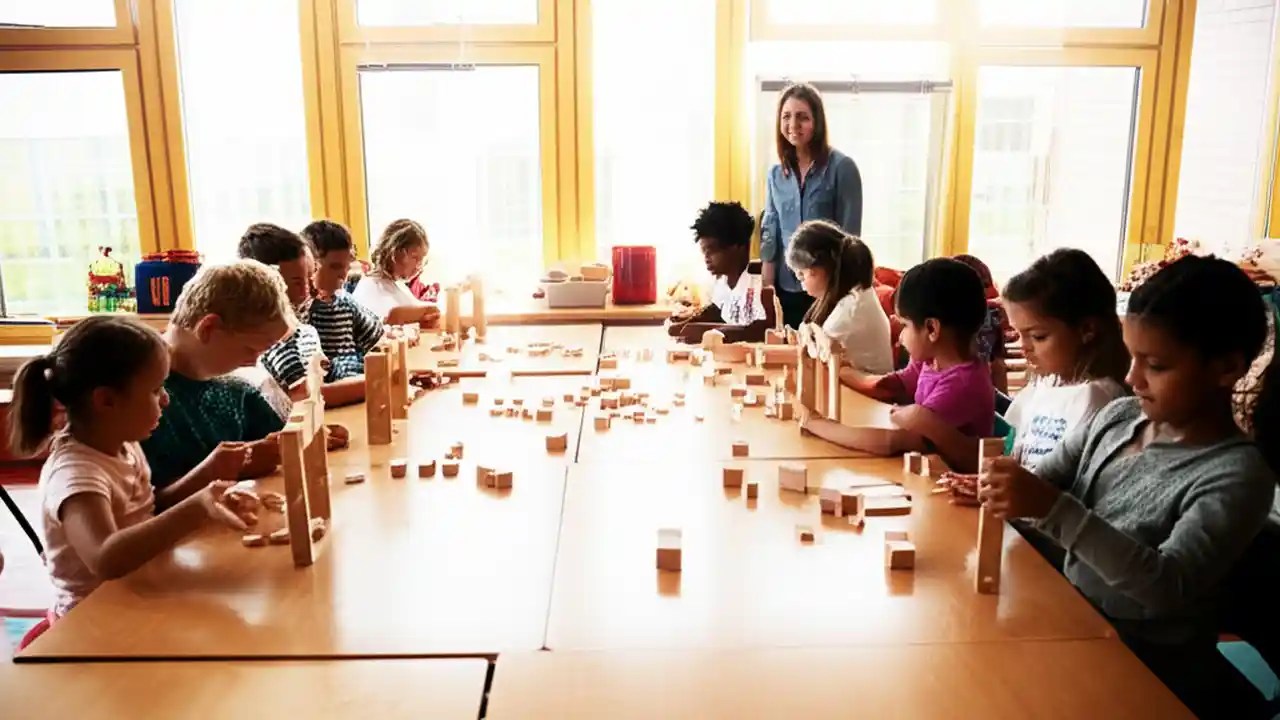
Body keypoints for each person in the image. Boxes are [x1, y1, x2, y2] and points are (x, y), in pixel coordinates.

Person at [980, 255, 1279, 719]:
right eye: (1132, 356)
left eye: (1155, 365)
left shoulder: (1237, 474)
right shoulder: (1120, 418)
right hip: (1077, 626)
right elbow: (1047, 480)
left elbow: (1166, 587)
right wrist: (1005, 484)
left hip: (1151, 671)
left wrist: (1052, 509)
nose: (1130, 378)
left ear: (1226, 368)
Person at [8, 317, 252, 643]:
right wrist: (196, 509)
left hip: (139, 595)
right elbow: (105, 558)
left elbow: (146, 512)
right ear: (106, 401)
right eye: (155, 390)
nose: (166, 400)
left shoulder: (123, 444)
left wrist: (207, 477)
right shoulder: (76, 474)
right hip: (97, 624)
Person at [803, 258, 994, 472]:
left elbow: (891, 442)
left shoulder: (961, 385)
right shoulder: (931, 360)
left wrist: (815, 423)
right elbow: (892, 386)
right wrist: (840, 370)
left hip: (951, 494)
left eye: (904, 325)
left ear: (932, 329)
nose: (900, 338)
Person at [141, 261, 295, 492]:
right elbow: (148, 505)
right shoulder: (140, 400)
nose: (254, 362)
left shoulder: (238, 391)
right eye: (250, 349)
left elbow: (277, 444)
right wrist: (240, 465)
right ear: (208, 328)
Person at [1002, 249, 1130, 470]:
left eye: (1038, 336)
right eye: (1018, 334)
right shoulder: (1038, 390)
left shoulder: (1099, 400)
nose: (1024, 347)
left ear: (1086, 329)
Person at [760, 82, 863, 329]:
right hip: (787, 288)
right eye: (786, 117)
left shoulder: (842, 168)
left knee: (821, 359)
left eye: (802, 117)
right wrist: (767, 288)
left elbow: (851, 238)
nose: (793, 125)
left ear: (817, 121)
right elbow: (770, 232)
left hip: (826, 291)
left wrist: (840, 292)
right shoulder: (775, 174)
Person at [784, 219, 892, 374]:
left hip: (866, 395)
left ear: (821, 269)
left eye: (802, 276)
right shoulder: (854, 293)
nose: (801, 284)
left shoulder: (849, 312)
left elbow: (814, 362)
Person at [237, 223, 323, 406]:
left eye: (308, 279)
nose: (306, 291)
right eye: (297, 282)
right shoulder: (275, 338)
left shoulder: (302, 330)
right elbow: (303, 396)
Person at [300, 219, 384, 404]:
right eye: (335, 267)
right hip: (331, 401)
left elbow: (378, 338)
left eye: (346, 265)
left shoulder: (345, 301)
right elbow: (315, 380)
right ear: (310, 265)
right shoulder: (302, 314)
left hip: (360, 393)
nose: (343, 274)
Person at [668, 201, 770, 344]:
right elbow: (716, 311)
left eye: (712, 251)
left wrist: (711, 332)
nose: (707, 259)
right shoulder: (723, 283)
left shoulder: (759, 280)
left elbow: (764, 329)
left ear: (738, 247)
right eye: (704, 252)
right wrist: (685, 324)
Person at [351, 219, 442, 327]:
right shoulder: (370, 287)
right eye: (415, 258)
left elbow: (424, 309)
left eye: (421, 260)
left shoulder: (397, 285)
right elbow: (387, 320)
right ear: (395, 253)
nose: (419, 267)